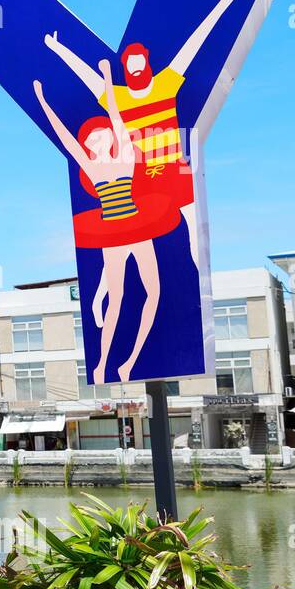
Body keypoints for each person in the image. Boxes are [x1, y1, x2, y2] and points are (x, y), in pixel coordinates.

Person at [44, 0, 236, 273]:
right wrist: (58, 48)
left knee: (194, 227)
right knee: (137, 242)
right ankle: (120, 293)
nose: (135, 70)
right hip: (141, 177)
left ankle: (198, 275)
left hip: (173, 168)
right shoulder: (117, 98)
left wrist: (221, 7)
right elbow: (87, 75)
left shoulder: (166, 83)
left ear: (146, 63)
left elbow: (191, 47)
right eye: (129, 66)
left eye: (138, 64)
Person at [34, 59, 175, 383]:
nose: (100, 137)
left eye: (103, 135)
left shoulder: (124, 159)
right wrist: (43, 101)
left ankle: (130, 360)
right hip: (114, 234)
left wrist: (110, 78)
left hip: (137, 229)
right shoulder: (93, 166)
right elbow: (65, 137)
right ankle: (102, 364)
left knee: (153, 292)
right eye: (95, 137)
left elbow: (116, 114)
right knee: (118, 299)